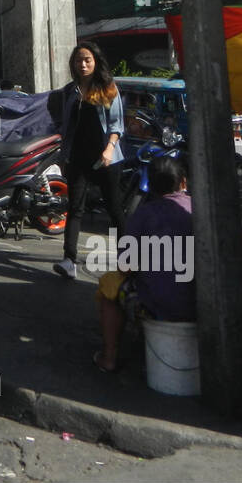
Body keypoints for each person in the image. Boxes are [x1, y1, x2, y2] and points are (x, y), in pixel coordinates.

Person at [93, 154, 194, 373]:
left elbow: (125, 266)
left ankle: (109, 356)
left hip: (158, 307)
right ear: (183, 182)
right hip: (201, 304)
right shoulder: (200, 208)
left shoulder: (143, 215)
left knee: (109, 285)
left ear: (151, 185)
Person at [50, 41, 125, 279]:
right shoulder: (69, 92)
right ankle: (69, 260)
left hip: (106, 158)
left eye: (87, 60)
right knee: (75, 208)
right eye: (78, 60)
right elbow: (66, 126)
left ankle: (128, 260)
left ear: (95, 62)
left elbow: (116, 124)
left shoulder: (108, 87)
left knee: (115, 209)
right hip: (78, 158)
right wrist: (64, 155)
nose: (82, 64)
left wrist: (109, 149)